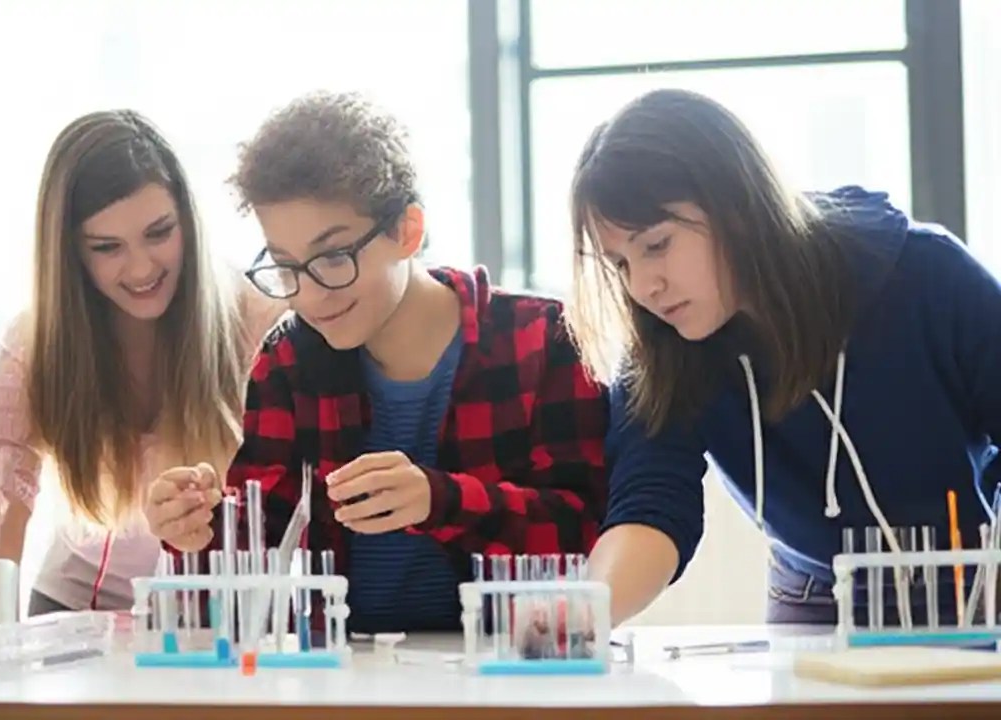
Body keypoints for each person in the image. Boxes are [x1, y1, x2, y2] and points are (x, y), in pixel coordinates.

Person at [152, 91, 609, 634]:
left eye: (333, 257)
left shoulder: (543, 339)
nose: (311, 295)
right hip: (352, 674)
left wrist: (440, 500)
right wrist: (198, 532)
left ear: (407, 231)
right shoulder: (287, 360)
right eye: (286, 266)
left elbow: (588, 536)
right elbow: (256, 561)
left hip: (514, 668)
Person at [566, 88, 1001, 626]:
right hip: (815, 601)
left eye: (656, 245)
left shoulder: (925, 275)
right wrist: (584, 615)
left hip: (976, 589)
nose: (644, 287)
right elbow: (650, 506)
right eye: (620, 264)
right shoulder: (661, 353)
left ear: (738, 206)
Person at [0, 110, 283, 615]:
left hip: (218, 612)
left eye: (159, 233)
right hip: (72, 608)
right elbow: (0, 506)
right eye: (107, 247)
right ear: (71, 253)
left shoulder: (258, 321)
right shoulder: (34, 344)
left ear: (187, 221)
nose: (141, 268)